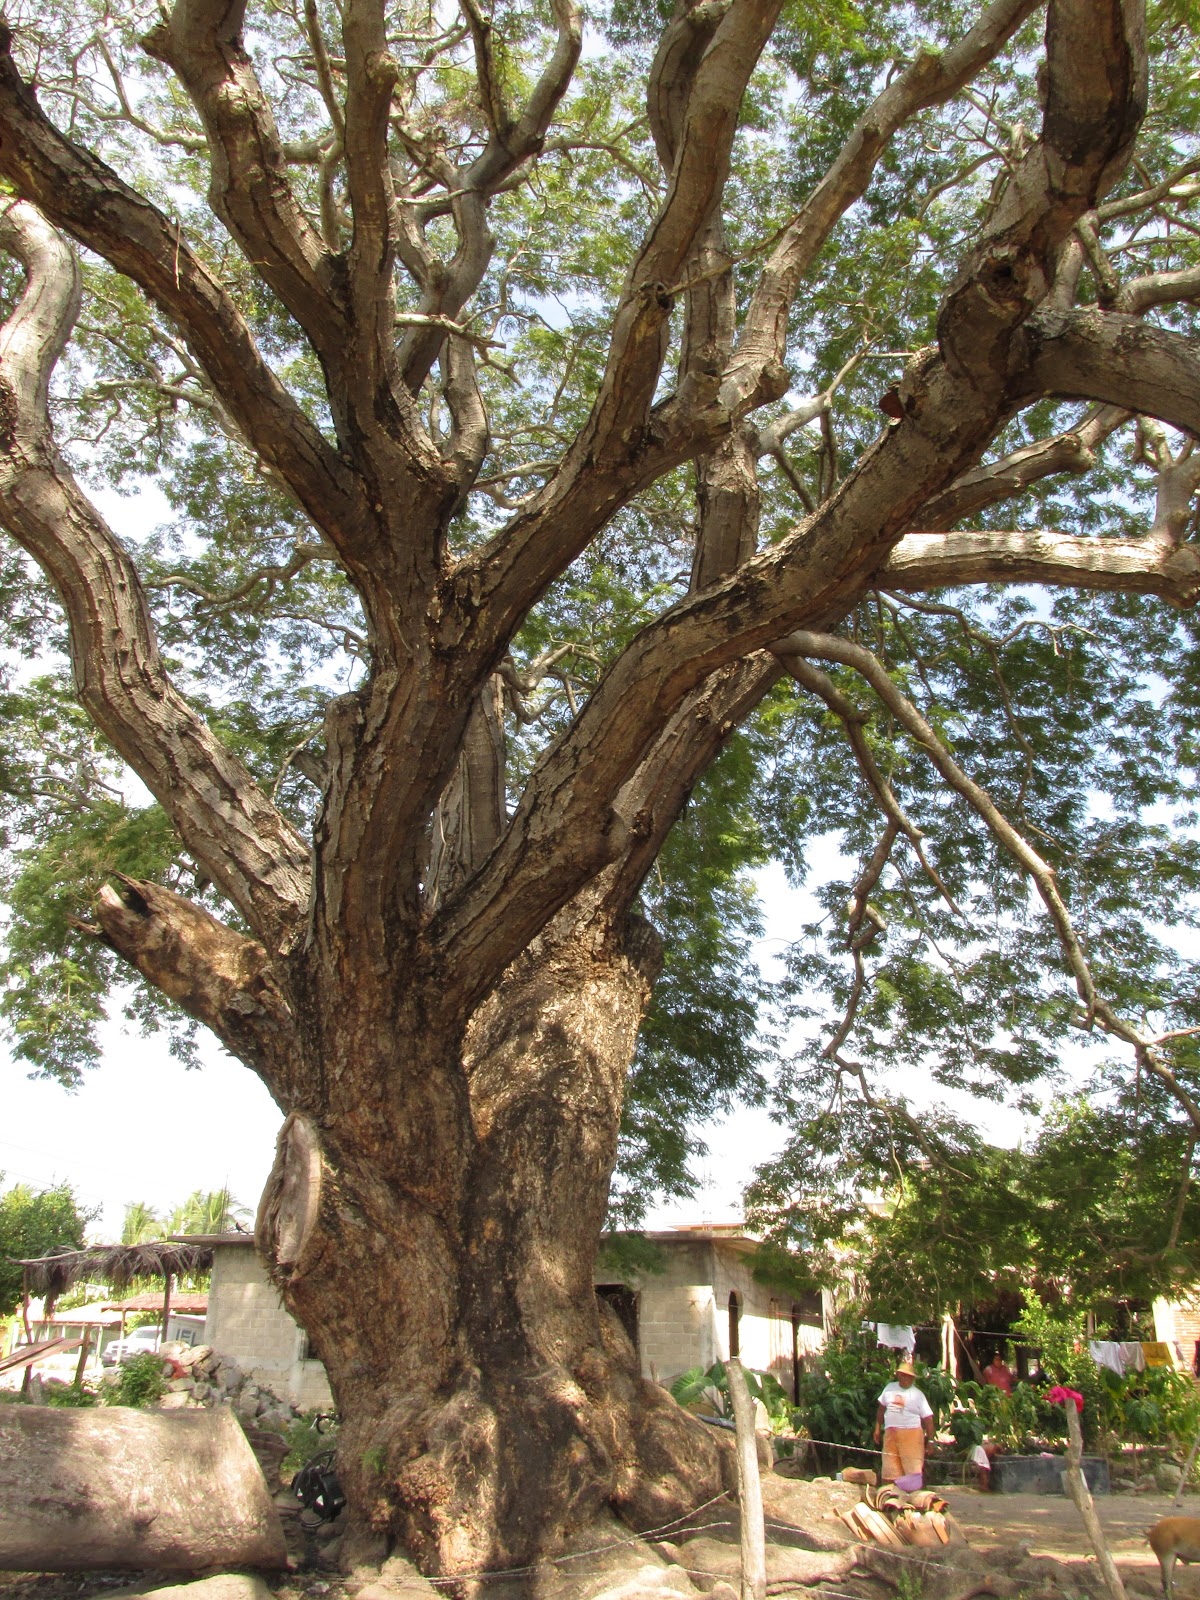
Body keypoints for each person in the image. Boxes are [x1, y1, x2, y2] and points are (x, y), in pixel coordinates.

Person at [873, 1359, 935, 1486]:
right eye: (903, 1375)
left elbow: (928, 1419)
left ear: (913, 1378)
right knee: (890, 1471)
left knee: (912, 1472)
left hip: (911, 1435)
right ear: (898, 1375)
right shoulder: (889, 1388)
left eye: (909, 1376)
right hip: (891, 1434)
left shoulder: (918, 1395)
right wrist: (877, 1428)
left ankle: (913, 1499)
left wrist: (931, 1440)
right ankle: (890, 1498)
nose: (905, 1378)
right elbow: (881, 1409)